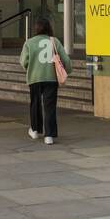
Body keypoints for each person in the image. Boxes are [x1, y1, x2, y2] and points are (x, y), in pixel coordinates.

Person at [19, 17, 71, 145]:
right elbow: (66, 60)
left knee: (35, 104)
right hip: (51, 78)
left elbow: (23, 61)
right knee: (50, 107)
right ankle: (49, 136)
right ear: (49, 27)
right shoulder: (54, 41)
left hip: (35, 77)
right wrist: (67, 71)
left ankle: (35, 130)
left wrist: (30, 67)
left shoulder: (29, 43)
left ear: (36, 28)